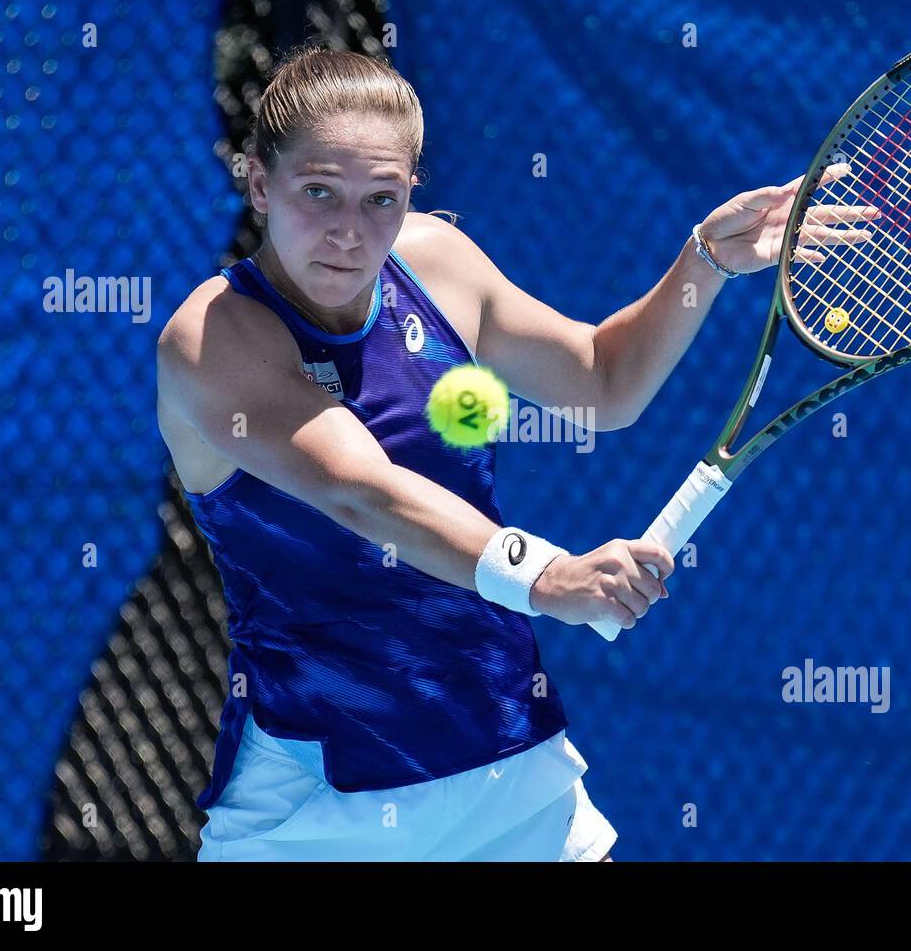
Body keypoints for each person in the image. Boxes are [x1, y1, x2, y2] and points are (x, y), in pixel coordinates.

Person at [156, 46, 873, 861]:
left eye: (381, 199)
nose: (349, 232)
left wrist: (703, 262)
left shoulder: (434, 263)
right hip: (318, 804)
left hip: (510, 770)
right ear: (259, 183)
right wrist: (546, 576)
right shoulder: (211, 340)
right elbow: (363, 494)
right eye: (318, 192)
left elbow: (604, 381)